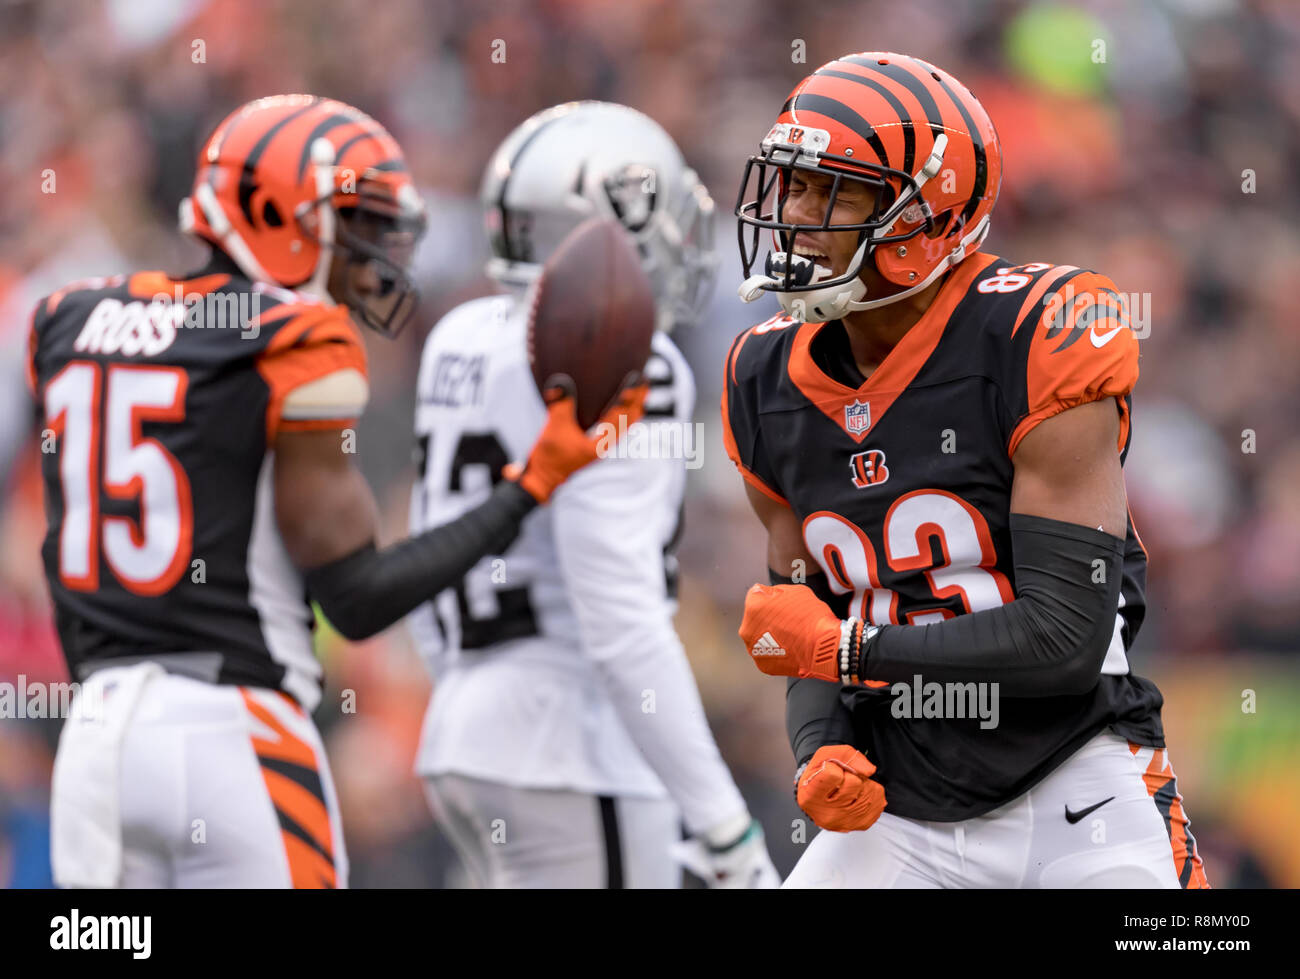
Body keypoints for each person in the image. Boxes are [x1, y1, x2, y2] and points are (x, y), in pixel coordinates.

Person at [28, 94, 637, 888]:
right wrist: (532, 483)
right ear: (269, 211)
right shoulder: (296, 338)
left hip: (95, 744)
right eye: (352, 222)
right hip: (232, 734)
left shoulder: (69, 318)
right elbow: (356, 596)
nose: (373, 255)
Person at [724, 53, 1209, 888]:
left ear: (924, 217)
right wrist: (821, 747)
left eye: (833, 190)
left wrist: (846, 650)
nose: (797, 215)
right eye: (792, 184)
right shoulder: (761, 377)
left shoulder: (1039, 332)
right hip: (901, 806)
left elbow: (1062, 637)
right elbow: (805, 624)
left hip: (1074, 780)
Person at [410, 101, 779, 888]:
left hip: (463, 733)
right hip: (570, 743)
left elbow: (431, 560)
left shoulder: (460, 336)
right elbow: (619, 619)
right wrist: (724, 823)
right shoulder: (629, 361)